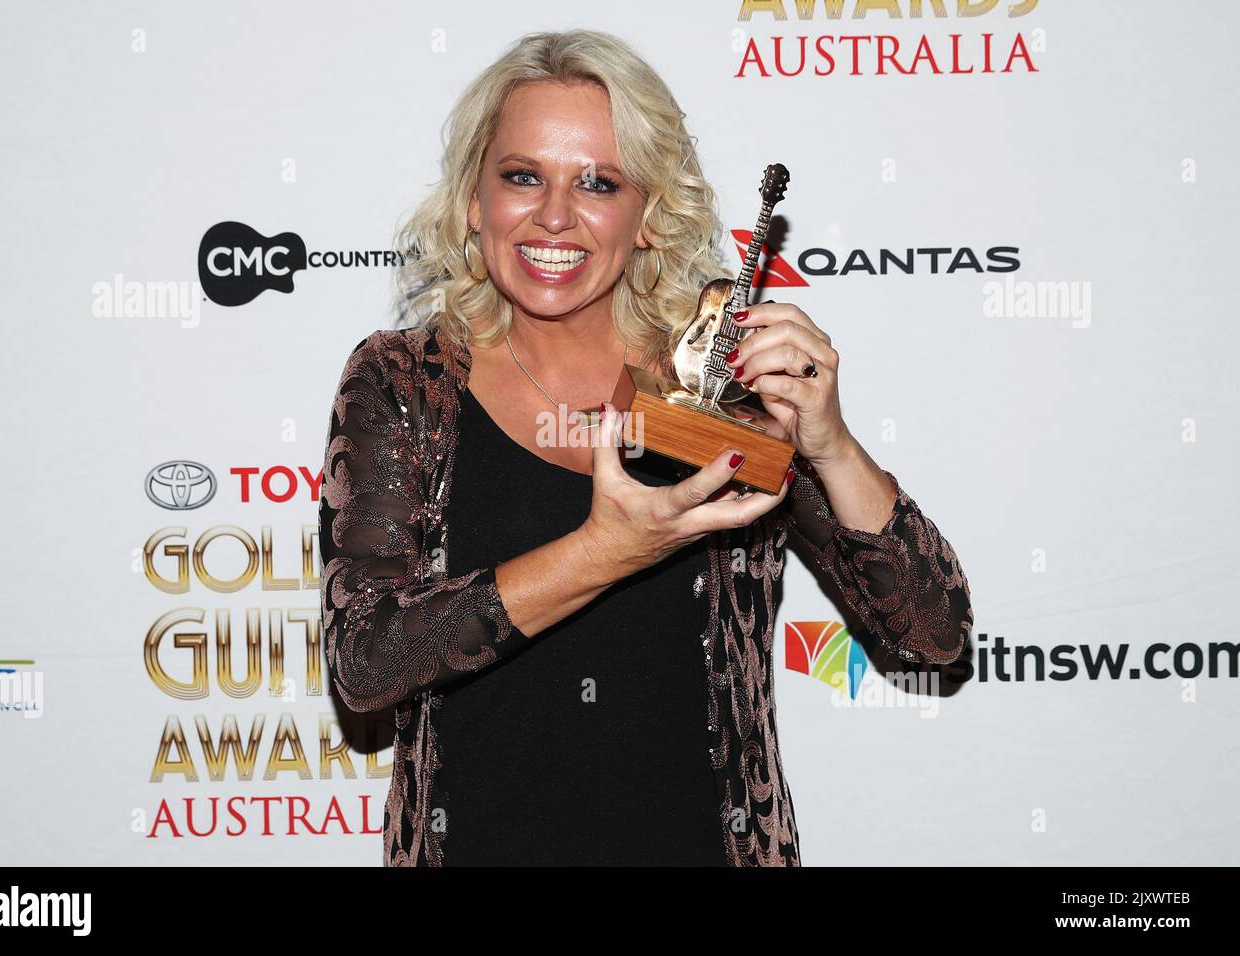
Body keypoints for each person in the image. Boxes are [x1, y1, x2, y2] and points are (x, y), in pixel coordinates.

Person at [319, 29, 972, 867]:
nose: (554, 215)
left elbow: (933, 635)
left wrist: (831, 443)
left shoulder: (717, 382)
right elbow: (367, 663)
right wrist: (605, 550)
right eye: (522, 176)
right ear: (474, 202)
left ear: (652, 218)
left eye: (599, 182)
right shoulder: (406, 380)